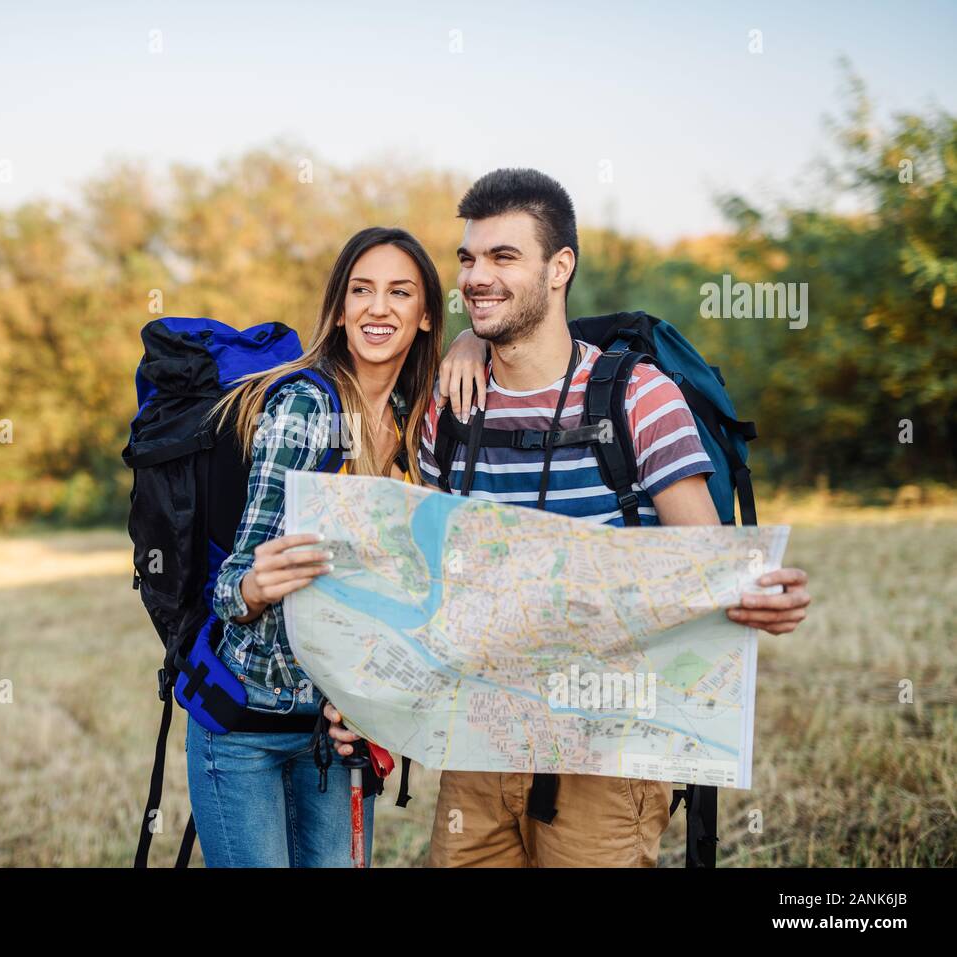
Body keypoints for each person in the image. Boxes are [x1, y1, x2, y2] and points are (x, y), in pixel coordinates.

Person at [326, 168, 812, 867]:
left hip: (606, 750)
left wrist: (761, 591)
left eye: (503, 257)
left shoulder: (639, 397)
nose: (477, 277)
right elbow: (426, 573)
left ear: (560, 268)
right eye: (468, 258)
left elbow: (708, 561)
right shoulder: (450, 409)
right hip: (480, 745)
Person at [187, 226, 445, 866]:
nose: (378, 307)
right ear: (339, 306)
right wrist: (250, 587)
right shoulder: (308, 407)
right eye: (361, 290)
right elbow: (228, 586)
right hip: (247, 724)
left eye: (399, 293)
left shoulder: (418, 425)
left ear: (425, 315)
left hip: (337, 731)